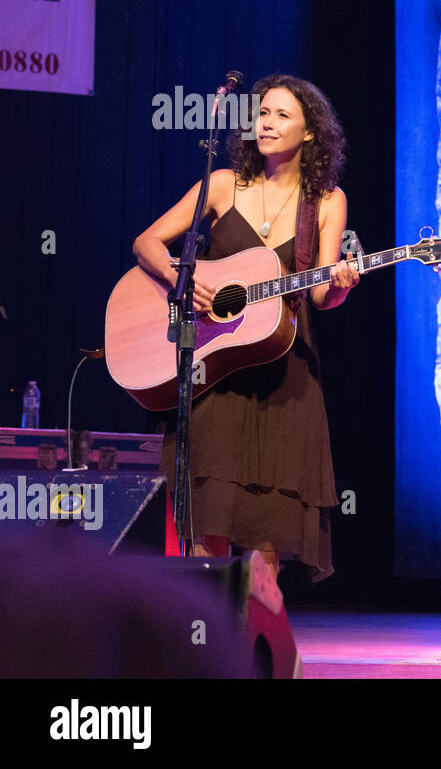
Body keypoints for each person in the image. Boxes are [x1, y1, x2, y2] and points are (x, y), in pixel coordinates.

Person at [133, 74, 358, 581]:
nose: (268, 122)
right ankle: (198, 641)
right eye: (262, 113)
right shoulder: (221, 184)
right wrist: (181, 280)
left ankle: (249, 641)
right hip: (214, 368)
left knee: (266, 526)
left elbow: (320, 294)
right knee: (205, 519)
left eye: (282, 115)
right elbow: (147, 242)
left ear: (309, 134)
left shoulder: (325, 200)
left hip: (284, 375)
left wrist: (341, 284)